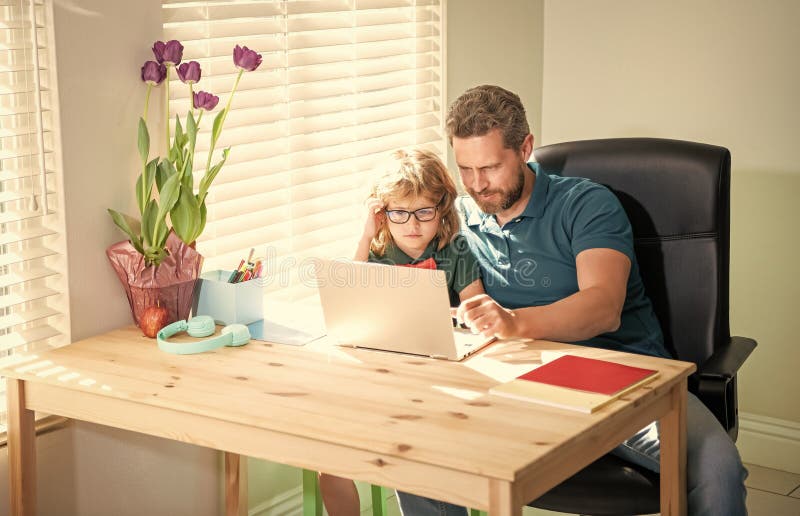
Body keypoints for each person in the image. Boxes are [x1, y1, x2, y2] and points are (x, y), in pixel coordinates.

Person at [395, 85, 748, 516]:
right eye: (465, 169)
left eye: (489, 167)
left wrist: (512, 322)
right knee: (418, 455)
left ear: (525, 148)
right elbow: (402, 287)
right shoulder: (461, 219)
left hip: (620, 379)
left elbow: (602, 306)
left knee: (717, 468)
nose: (476, 185)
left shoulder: (585, 204)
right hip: (516, 385)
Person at [319, 148, 485, 516]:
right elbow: (345, 298)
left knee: (415, 450)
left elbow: (479, 310)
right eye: (399, 214)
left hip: (435, 378)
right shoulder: (378, 251)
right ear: (383, 214)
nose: (413, 225)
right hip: (380, 376)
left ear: (441, 209)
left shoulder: (454, 250)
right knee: (329, 456)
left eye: (424, 212)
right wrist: (365, 235)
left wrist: (454, 313)